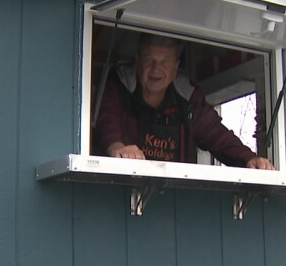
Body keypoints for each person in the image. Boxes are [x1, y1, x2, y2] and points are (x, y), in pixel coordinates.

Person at [93, 34, 276, 170]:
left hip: (173, 199)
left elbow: (217, 136)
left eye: (165, 62)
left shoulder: (187, 97)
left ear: (175, 67)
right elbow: (106, 121)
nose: (156, 69)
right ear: (138, 62)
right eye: (150, 60)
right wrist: (118, 148)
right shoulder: (116, 85)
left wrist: (249, 159)